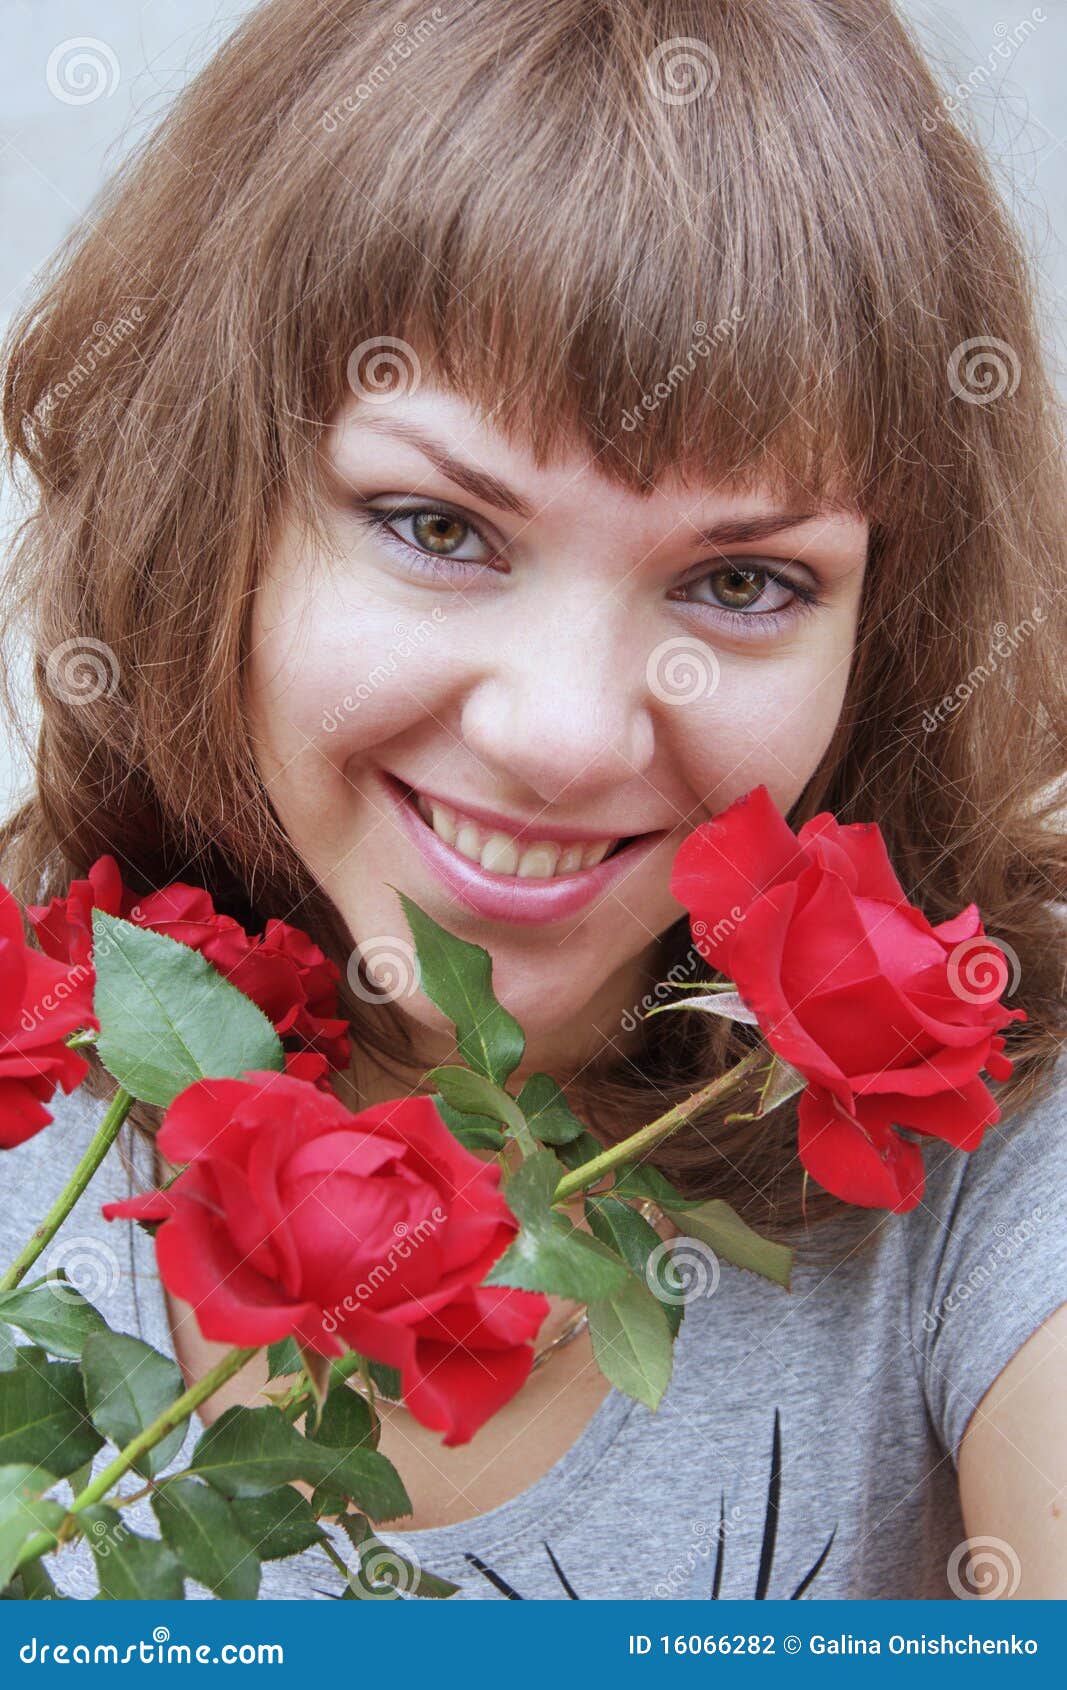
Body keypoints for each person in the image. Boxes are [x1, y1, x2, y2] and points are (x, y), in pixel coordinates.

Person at [1, 0, 1064, 1600]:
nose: (566, 737)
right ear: (209, 504)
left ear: (887, 629)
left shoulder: (1003, 1158)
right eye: (437, 526)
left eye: (747, 577)